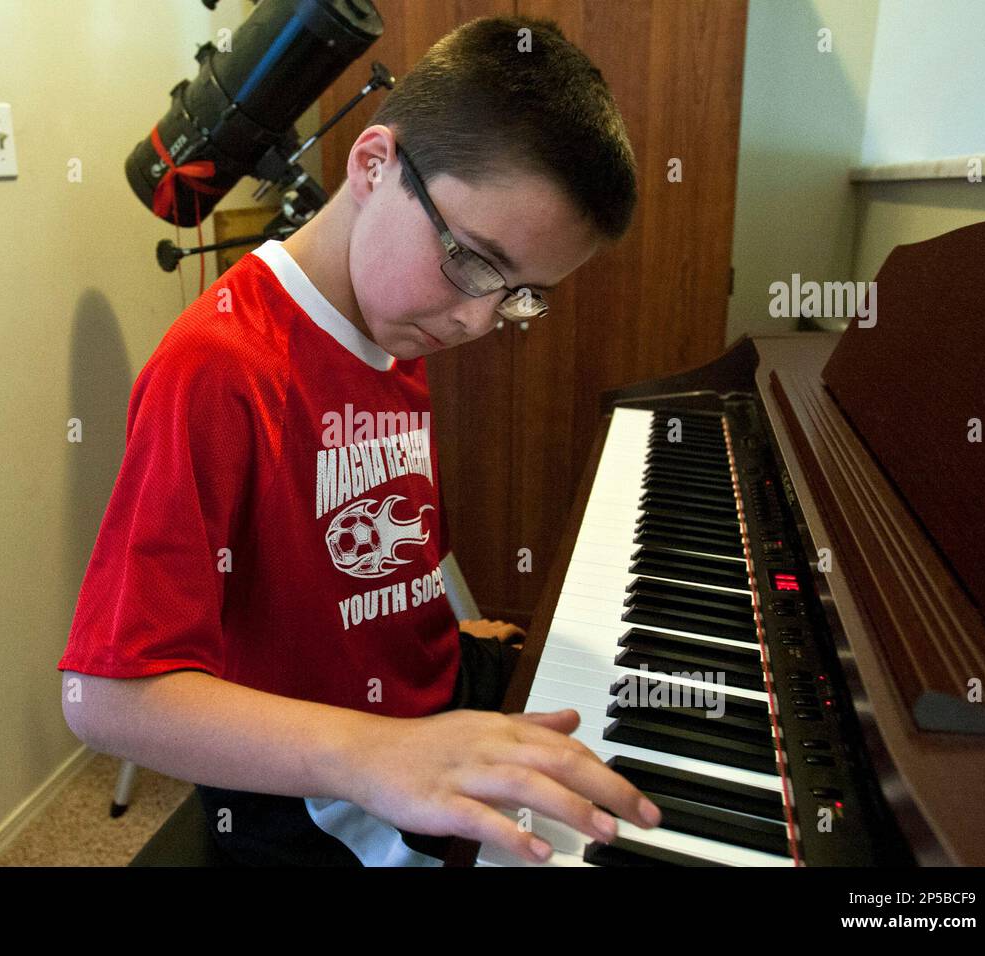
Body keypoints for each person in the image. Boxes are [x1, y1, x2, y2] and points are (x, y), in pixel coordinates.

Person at [58, 13, 661, 866]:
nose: (480, 319)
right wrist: (378, 755)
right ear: (374, 164)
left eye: (520, 294)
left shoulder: (394, 319)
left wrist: (455, 644)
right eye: (473, 262)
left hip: (427, 696)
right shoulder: (218, 367)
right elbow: (104, 697)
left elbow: (379, 557)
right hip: (323, 793)